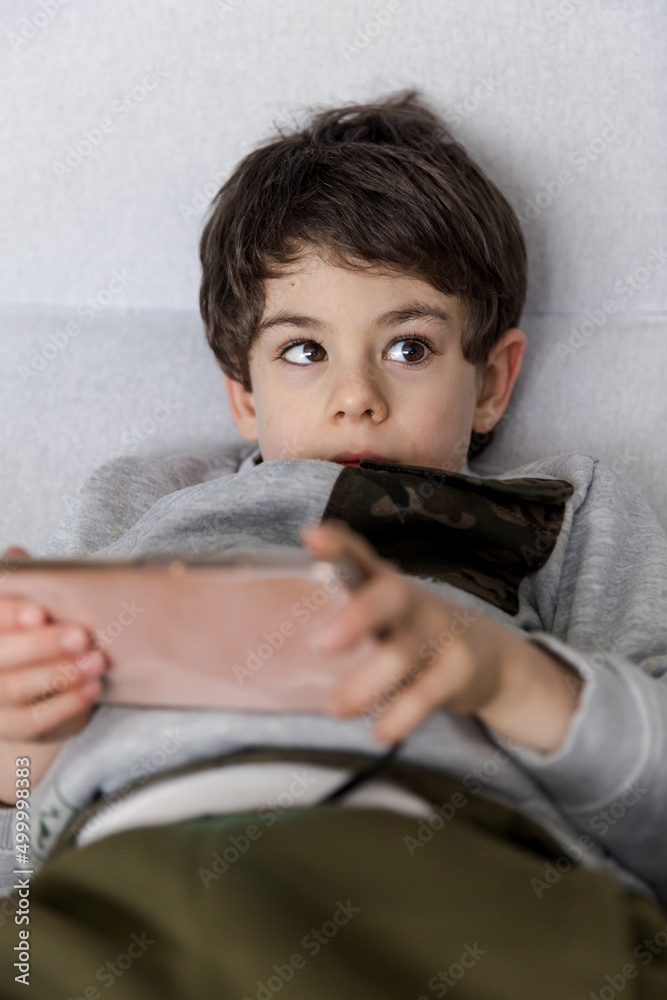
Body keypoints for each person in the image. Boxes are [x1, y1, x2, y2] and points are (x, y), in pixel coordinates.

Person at [1, 89, 667, 998]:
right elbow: (23, 873)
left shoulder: (559, 509)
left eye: (408, 348)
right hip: (131, 875)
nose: (355, 396)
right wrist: (18, 765)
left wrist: (514, 681)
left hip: (455, 876)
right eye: (303, 352)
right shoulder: (145, 501)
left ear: (491, 383)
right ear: (241, 393)